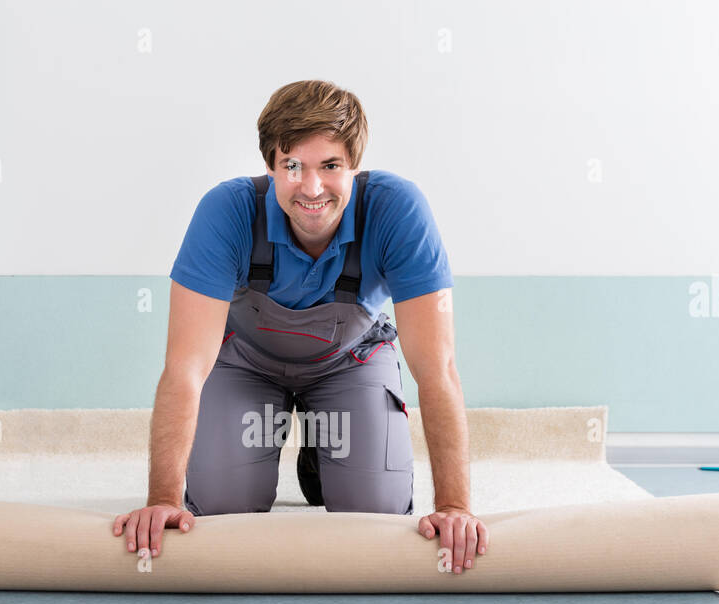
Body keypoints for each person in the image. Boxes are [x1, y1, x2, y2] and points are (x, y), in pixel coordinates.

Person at [113, 79, 488, 575]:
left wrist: (455, 507)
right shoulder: (227, 212)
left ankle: (322, 453)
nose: (312, 189)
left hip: (348, 363)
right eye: (293, 166)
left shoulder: (398, 210)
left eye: (330, 166)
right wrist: (161, 497)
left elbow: (437, 369)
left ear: (353, 164)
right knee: (223, 511)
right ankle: (280, 439)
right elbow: (184, 367)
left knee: (371, 517)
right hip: (245, 363)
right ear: (271, 165)